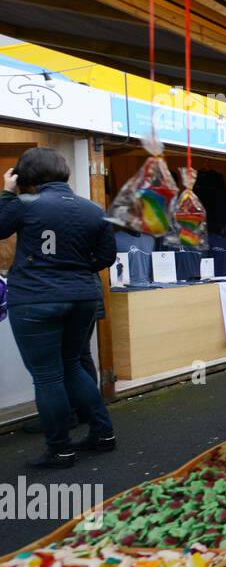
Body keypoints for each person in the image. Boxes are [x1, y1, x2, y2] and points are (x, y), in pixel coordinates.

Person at [0, 148, 116, 468]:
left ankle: (60, 450)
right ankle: (103, 434)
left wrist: (7, 193)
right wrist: (76, 268)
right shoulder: (94, 209)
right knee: (72, 366)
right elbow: (106, 257)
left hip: (35, 299)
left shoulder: (24, 204)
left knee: (48, 376)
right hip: (82, 297)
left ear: (25, 177)